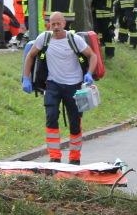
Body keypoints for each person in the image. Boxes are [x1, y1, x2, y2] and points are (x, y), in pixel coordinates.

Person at [21, 11, 98, 165]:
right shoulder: (44, 38)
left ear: (64, 24)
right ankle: (54, 156)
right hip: (53, 85)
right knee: (51, 117)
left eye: (58, 24)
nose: (55, 27)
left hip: (75, 86)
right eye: (53, 23)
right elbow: (30, 56)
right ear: (49, 24)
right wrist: (26, 78)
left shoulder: (74, 39)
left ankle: (75, 158)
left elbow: (92, 56)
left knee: (75, 122)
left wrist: (89, 73)